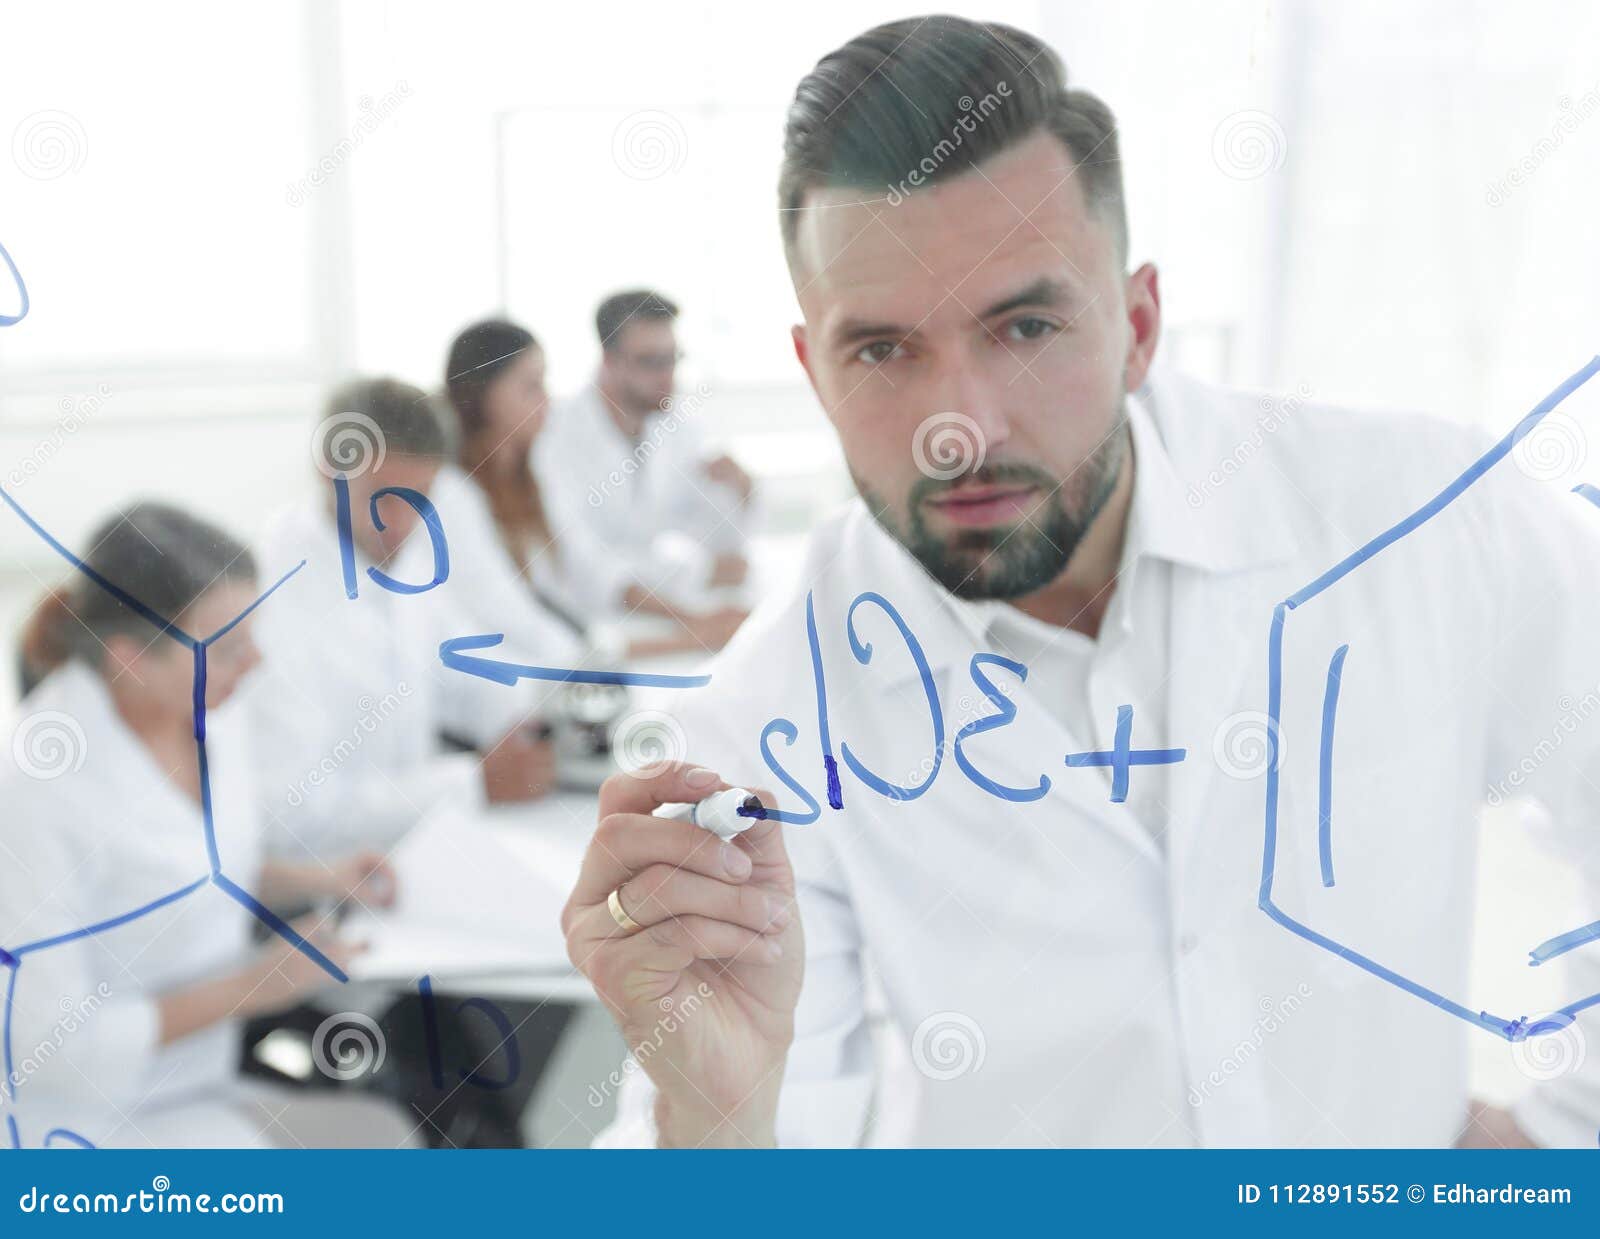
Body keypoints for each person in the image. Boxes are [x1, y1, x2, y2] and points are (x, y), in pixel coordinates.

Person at [561, 16, 1600, 1148]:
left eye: (1024, 326)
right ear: (815, 371)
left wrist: (1556, 1135)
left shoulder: (1419, 517)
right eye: (884, 350)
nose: (959, 428)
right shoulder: (763, 724)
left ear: (1138, 324)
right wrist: (716, 1119)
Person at [0, 503, 414, 1148]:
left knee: (391, 1135)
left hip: (197, 1082)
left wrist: (320, 876)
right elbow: (49, 1049)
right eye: (228, 649)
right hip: (88, 1126)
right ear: (131, 658)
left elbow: (193, 866)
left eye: (253, 636)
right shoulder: (34, 797)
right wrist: (255, 986)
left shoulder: (208, 713)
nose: (256, 665)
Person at [245, 376, 555, 867]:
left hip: (418, 852)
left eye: (421, 498)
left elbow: (457, 665)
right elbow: (290, 816)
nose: (401, 524)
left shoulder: (399, 557)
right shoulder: (269, 599)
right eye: (382, 497)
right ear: (328, 469)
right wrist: (471, 783)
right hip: (327, 889)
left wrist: (544, 709)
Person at [439, 318, 745, 657]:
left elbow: (588, 565)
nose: (547, 403)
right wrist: (688, 637)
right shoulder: (455, 497)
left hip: (584, 639)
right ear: (484, 396)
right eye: (531, 387)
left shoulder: (530, 477)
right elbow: (532, 635)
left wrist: (691, 619)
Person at [536, 290, 753, 634]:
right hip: (588, 625)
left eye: (673, 358)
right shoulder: (556, 436)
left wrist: (742, 488)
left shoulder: (674, 427)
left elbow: (727, 552)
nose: (667, 375)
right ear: (608, 361)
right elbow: (581, 564)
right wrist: (691, 617)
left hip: (657, 612)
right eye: (651, 361)